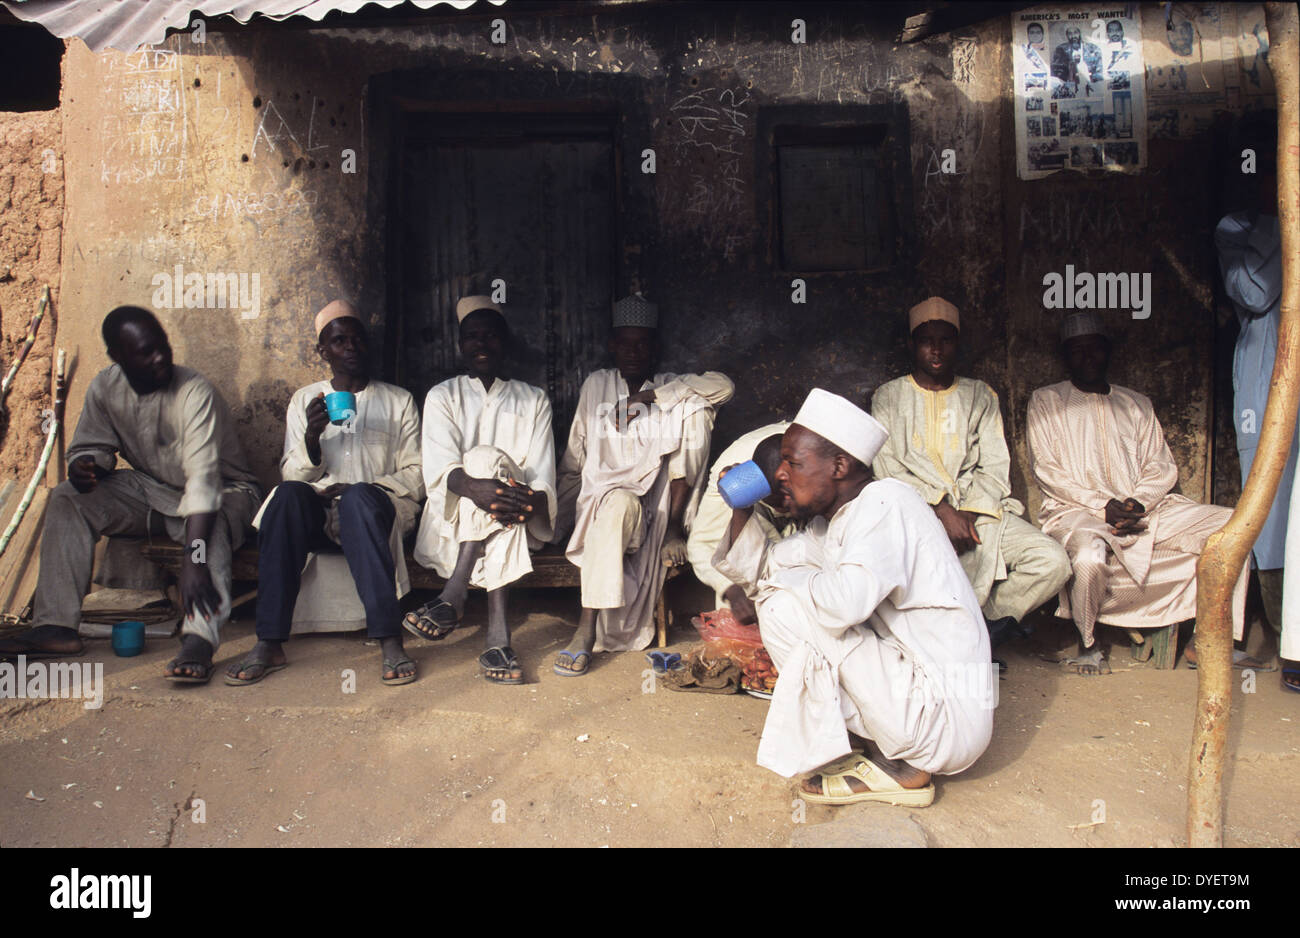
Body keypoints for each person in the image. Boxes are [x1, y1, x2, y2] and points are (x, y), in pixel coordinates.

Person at [713, 389, 993, 806]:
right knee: (780, 593)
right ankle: (879, 745)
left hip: (944, 719)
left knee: (780, 605)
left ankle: (904, 766)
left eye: (794, 462)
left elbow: (843, 602)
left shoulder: (887, 502)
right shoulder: (835, 523)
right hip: (922, 706)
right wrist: (742, 508)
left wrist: (787, 584)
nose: (782, 475)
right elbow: (764, 570)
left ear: (840, 466)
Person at [0, 306, 261, 683]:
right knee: (66, 498)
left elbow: (203, 486)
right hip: (152, 489)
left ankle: (199, 638)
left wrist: (194, 559)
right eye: (145, 352)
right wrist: (87, 466)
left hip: (223, 492)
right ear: (118, 358)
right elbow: (90, 448)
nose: (160, 358)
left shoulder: (194, 391)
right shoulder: (105, 387)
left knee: (208, 527)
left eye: (163, 347)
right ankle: (55, 626)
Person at [1026, 312, 1248, 675]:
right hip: (1077, 511)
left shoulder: (1136, 403)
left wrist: (1138, 503)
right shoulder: (1047, 401)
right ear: (1065, 357)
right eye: (1078, 351)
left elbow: (1161, 467)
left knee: (1234, 525)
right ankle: (1088, 643)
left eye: (1095, 349)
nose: (1088, 358)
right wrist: (1104, 508)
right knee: (1088, 558)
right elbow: (1047, 471)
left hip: (1144, 509)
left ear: (1108, 352)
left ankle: (1210, 638)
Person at [226, 300, 423, 687]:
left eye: (357, 340)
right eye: (338, 341)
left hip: (375, 509)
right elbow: (291, 473)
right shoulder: (305, 400)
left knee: (358, 501)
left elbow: (418, 474)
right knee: (285, 499)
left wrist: (367, 489)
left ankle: (388, 638)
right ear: (323, 351)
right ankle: (269, 641)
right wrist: (312, 439)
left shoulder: (398, 400)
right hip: (319, 509)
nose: (350, 348)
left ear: (368, 345)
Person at [872, 297, 1070, 669]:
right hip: (917, 512)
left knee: (1052, 561)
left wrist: (967, 511)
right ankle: (956, 641)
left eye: (945, 340)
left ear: (957, 344)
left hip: (979, 511)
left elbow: (996, 464)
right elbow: (886, 467)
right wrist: (939, 507)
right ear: (912, 345)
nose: (935, 348)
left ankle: (981, 628)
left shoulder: (980, 395)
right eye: (926, 340)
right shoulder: (889, 396)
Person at [555, 294, 733, 672]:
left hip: (664, 505)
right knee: (618, 504)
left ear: (655, 348)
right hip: (609, 504)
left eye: (642, 343)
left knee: (696, 409)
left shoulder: (672, 386)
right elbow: (575, 457)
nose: (633, 351)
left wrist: (651, 398)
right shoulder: (596, 386)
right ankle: (586, 629)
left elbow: (725, 386)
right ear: (612, 346)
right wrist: (557, 518)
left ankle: (672, 530)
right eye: (625, 343)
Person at [405, 296, 555, 685]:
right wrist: (477, 489)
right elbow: (442, 473)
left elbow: (542, 481)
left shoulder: (533, 399)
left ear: (504, 341)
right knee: (480, 462)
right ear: (460, 344)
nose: (482, 344)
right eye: (472, 336)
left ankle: (453, 595)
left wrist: (518, 499)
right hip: (449, 526)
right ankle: (497, 637)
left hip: (519, 519)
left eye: (491, 335)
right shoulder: (442, 396)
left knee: (491, 467)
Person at [1215, 125, 1296, 686]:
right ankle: (1287, 642)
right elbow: (1255, 292)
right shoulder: (1237, 230)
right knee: (1271, 508)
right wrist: (1278, 224)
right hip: (1268, 381)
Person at [686, 422, 792, 622]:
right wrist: (731, 590)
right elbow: (699, 545)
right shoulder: (734, 482)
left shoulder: (819, 465)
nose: (784, 504)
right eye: (779, 500)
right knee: (737, 554)